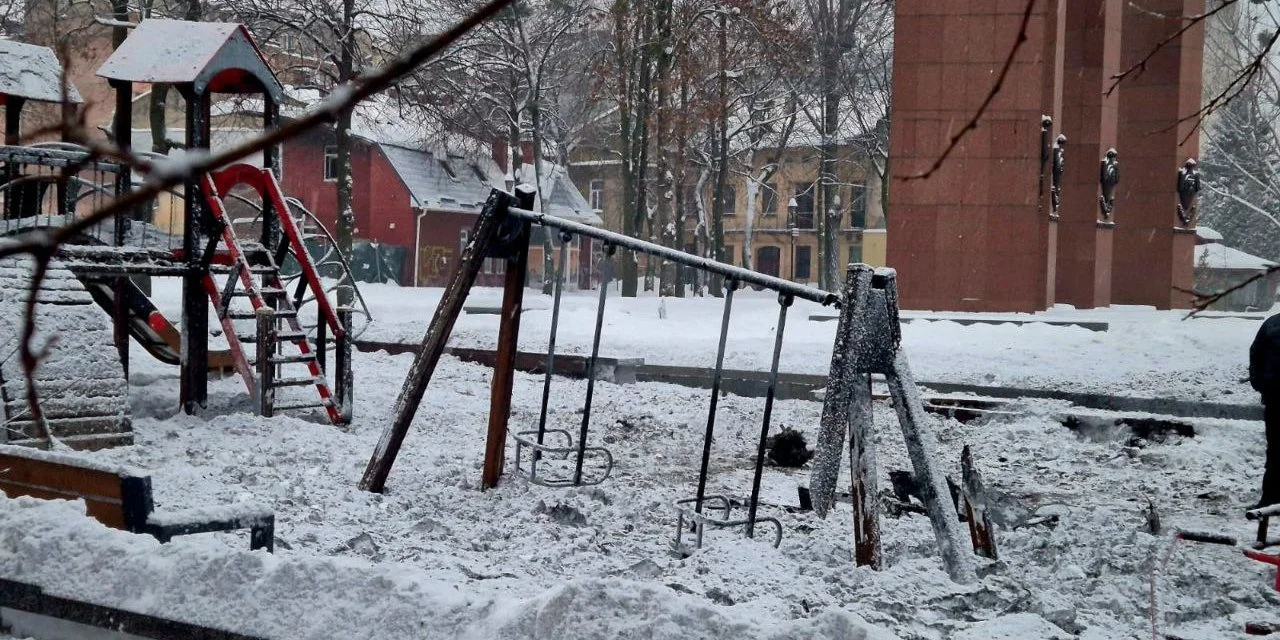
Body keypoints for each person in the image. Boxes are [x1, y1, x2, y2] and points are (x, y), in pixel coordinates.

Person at [1249, 314, 1280, 508]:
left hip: (1274, 396)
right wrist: (1258, 382)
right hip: (1275, 398)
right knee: (1275, 449)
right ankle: (1270, 499)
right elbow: (1256, 353)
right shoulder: (1272, 325)